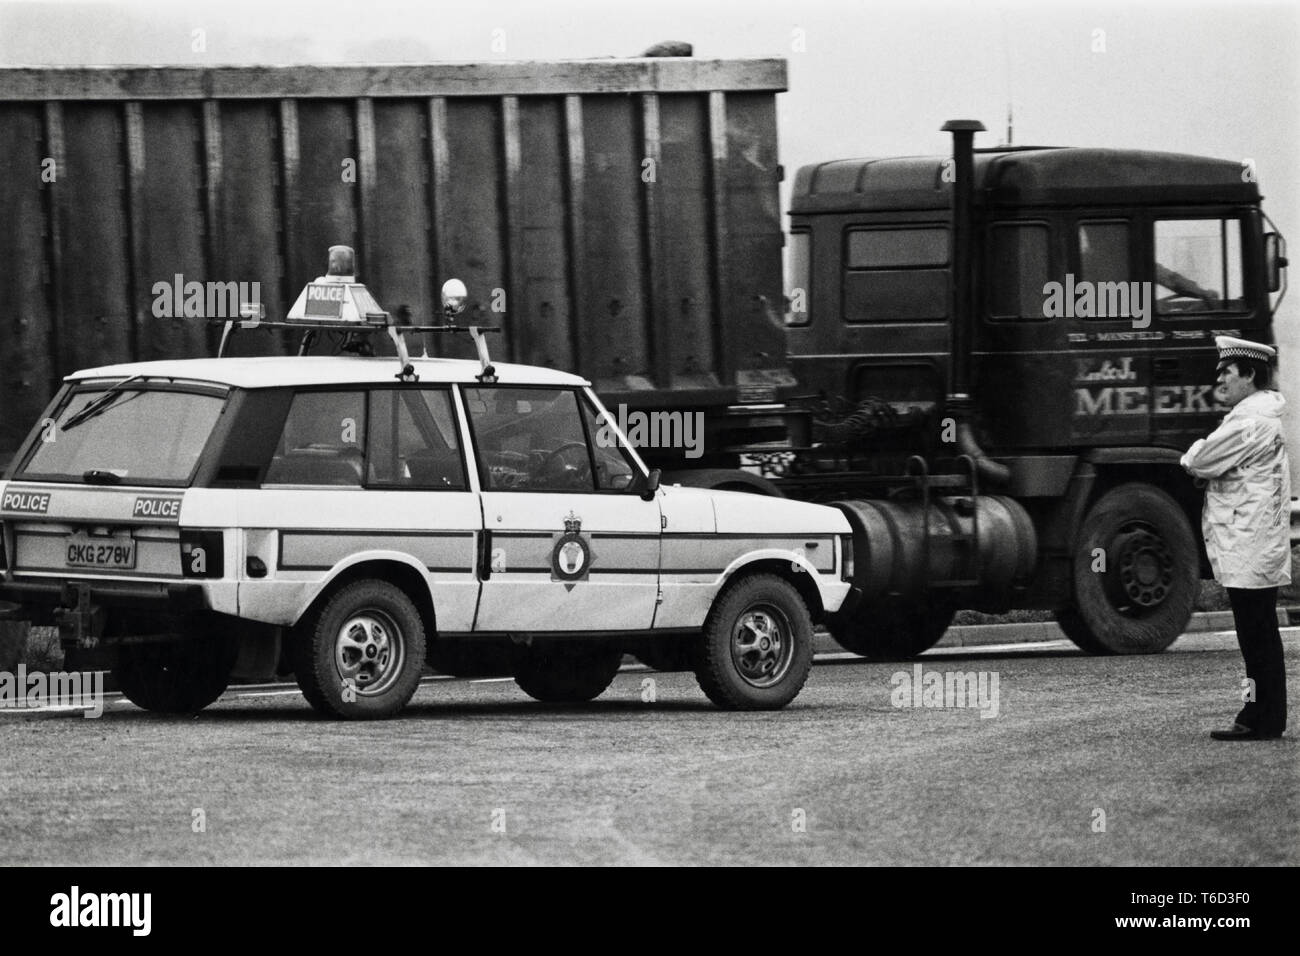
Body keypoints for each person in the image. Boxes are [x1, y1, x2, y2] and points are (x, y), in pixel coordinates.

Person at [1181, 336, 1291, 740]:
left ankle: (1257, 718)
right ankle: (1264, 716)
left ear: (1249, 375)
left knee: (1255, 636)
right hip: (1255, 541)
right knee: (1259, 634)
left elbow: (1201, 459)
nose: (1220, 378)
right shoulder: (1259, 417)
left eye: (1227, 370)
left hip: (1250, 542)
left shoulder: (1249, 422)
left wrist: (1192, 456)